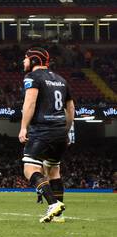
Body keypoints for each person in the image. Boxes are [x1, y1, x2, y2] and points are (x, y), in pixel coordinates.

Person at [18, 47, 73, 223]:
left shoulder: (32, 78)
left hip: (42, 131)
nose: (23, 62)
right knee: (53, 170)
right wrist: (66, 129)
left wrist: (23, 127)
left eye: (26, 58)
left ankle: (52, 205)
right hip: (60, 132)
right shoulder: (61, 79)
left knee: (30, 168)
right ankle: (59, 214)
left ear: (34, 60)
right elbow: (70, 108)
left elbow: (30, 102)